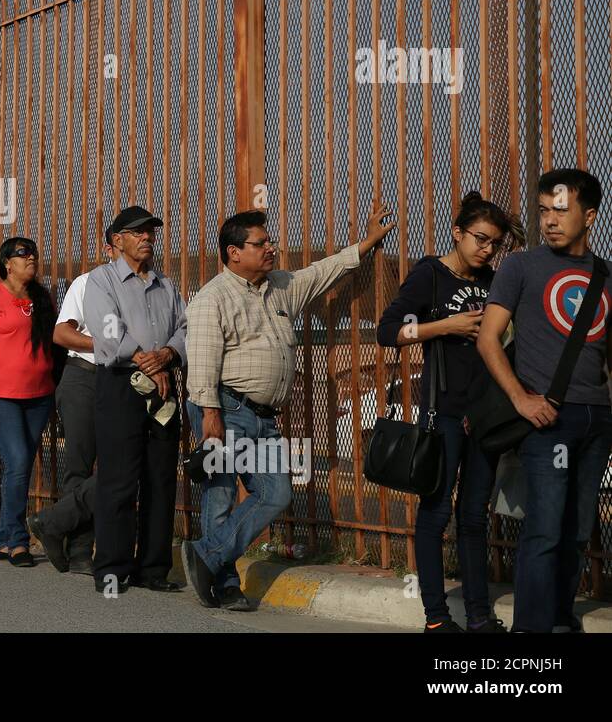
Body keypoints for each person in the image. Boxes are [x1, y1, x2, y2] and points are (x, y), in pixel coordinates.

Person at [183, 203, 393, 607]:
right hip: (225, 409)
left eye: (270, 242)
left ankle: (207, 554)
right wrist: (210, 416)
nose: (271, 248)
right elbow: (204, 360)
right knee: (221, 495)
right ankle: (224, 585)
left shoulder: (279, 285)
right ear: (234, 252)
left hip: (263, 418)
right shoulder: (213, 298)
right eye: (261, 243)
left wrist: (366, 241)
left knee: (275, 494)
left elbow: (323, 271)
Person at [477, 168, 612, 633]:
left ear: (589, 215)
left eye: (561, 209)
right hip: (548, 417)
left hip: (597, 418)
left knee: (576, 532)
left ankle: (559, 619)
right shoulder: (521, 267)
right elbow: (489, 339)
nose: (549, 220)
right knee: (546, 529)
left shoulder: (605, 274)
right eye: (542, 211)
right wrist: (521, 398)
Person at [377, 192, 518, 633]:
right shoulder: (429, 276)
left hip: (486, 417)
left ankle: (479, 616)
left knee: (474, 516)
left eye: (495, 243)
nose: (487, 249)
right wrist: (446, 326)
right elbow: (386, 331)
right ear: (456, 233)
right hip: (444, 413)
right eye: (480, 238)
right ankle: (437, 618)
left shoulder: (495, 281)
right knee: (436, 512)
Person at [82, 206, 187, 594]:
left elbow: (185, 328)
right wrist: (148, 359)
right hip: (123, 385)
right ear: (117, 240)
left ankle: (153, 569)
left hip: (162, 385)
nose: (147, 237)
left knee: (160, 478)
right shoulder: (102, 279)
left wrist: (168, 356)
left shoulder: (166, 285)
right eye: (138, 231)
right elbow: (108, 333)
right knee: (119, 480)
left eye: (150, 231)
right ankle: (111, 566)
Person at [0, 237, 56, 568]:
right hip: (2, 396)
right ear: (6, 263)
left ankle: (4, 538)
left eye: (33, 252)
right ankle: (18, 540)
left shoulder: (40, 299)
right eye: (22, 253)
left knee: (21, 466)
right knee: (18, 461)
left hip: (40, 396)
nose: (31, 257)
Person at [29, 239, 118, 575]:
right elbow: (62, 335)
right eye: (127, 241)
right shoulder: (88, 283)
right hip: (85, 375)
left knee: (120, 466)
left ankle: (52, 521)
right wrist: (108, 345)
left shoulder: (146, 287)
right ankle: (81, 551)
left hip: (122, 381)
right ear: (110, 248)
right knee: (79, 466)